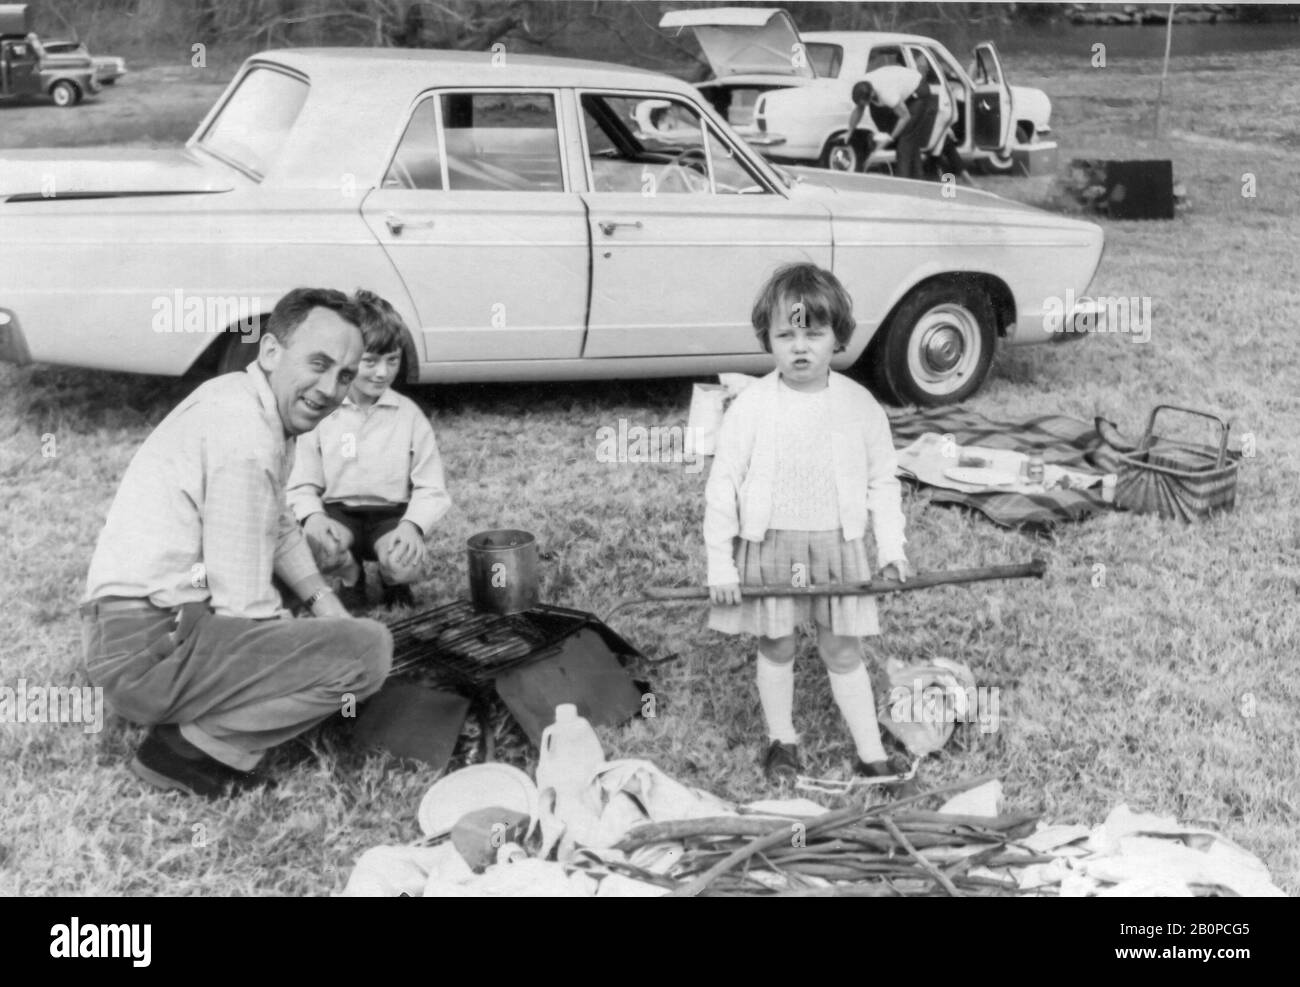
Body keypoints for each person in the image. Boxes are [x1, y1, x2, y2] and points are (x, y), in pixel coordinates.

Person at [81, 287, 393, 799]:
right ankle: (189, 749)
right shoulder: (244, 434)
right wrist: (329, 657)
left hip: (136, 630)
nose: (330, 388)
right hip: (146, 652)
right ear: (271, 351)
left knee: (321, 596)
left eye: (343, 374)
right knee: (369, 653)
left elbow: (275, 525)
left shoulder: (246, 398)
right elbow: (246, 608)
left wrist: (328, 607)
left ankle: (205, 713)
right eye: (318, 363)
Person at [704, 263, 913, 788]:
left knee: (844, 649)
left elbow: (883, 481)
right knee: (776, 645)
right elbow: (723, 485)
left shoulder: (858, 405)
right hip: (772, 546)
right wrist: (720, 566)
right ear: (767, 339)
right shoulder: (751, 407)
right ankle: (783, 740)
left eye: (813, 333)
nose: (800, 347)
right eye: (786, 334)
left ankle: (870, 752)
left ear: (837, 336)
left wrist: (891, 549)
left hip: (837, 547)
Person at [287, 289, 451, 611]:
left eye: (393, 361)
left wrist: (412, 525)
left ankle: (394, 582)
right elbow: (301, 483)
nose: (382, 373)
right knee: (315, 546)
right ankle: (351, 577)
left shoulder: (409, 416)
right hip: (340, 513)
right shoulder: (322, 412)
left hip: (390, 517)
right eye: (370, 361)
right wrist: (313, 517)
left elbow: (431, 487)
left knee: (405, 561)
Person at [844, 65, 938, 180]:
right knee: (911, 141)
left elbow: (905, 117)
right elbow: (859, 109)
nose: (865, 106)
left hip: (918, 91)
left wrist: (890, 138)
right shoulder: (863, 86)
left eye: (866, 103)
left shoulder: (887, 94)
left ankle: (902, 182)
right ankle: (918, 179)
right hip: (902, 88)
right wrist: (849, 131)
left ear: (871, 95)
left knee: (905, 141)